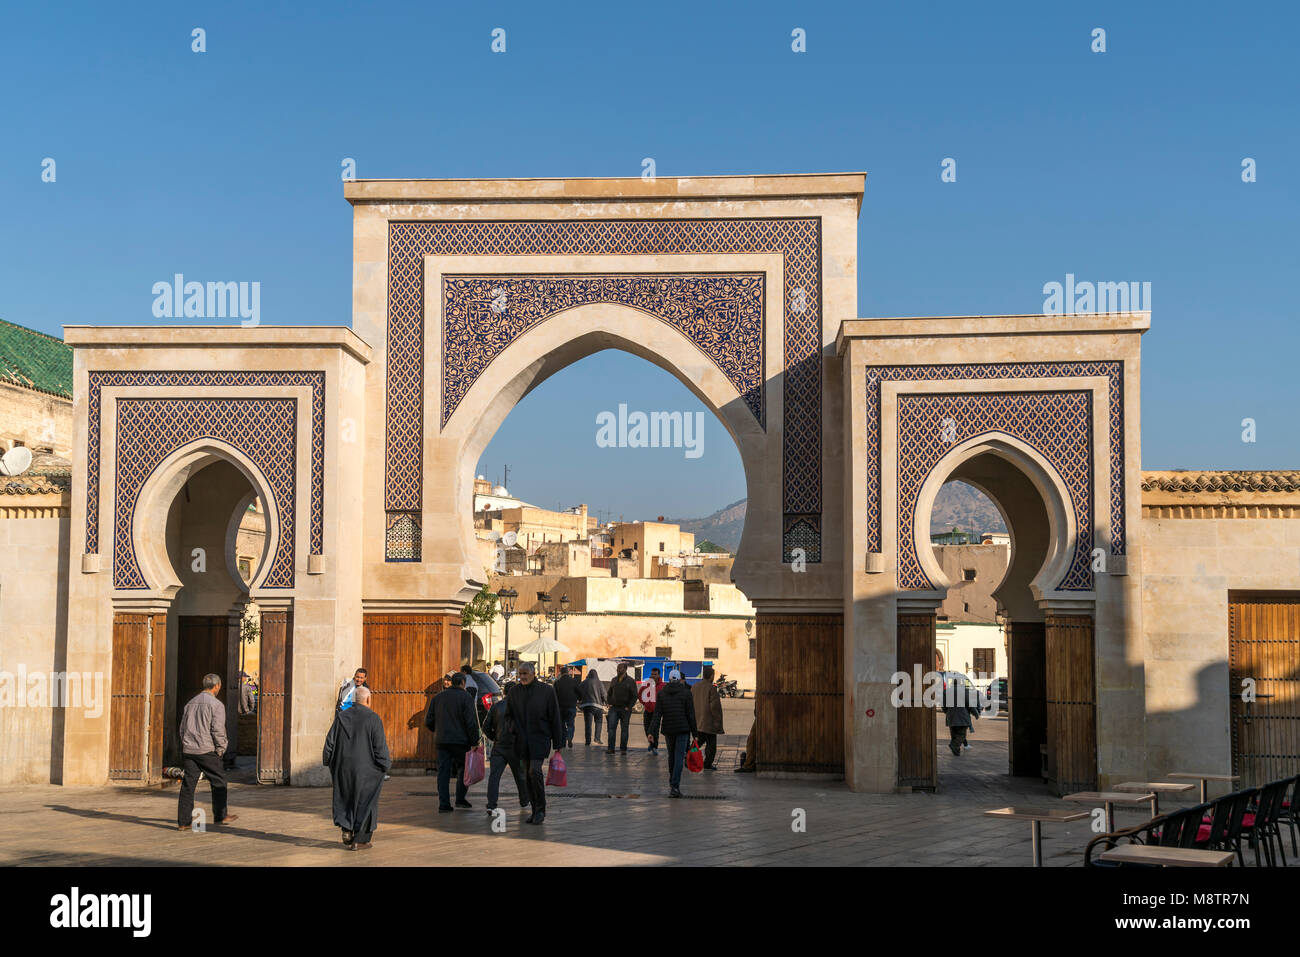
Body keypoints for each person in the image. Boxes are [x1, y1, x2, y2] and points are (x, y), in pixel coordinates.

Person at [322, 685, 391, 849]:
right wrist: (385, 765)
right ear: (368, 699)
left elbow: (329, 742)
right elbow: (379, 747)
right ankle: (360, 840)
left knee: (345, 798)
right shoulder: (373, 718)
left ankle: (347, 829)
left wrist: (328, 761)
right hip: (367, 769)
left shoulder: (341, 717)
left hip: (343, 767)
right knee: (366, 802)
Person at [505, 662, 564, 824]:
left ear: (533, 674)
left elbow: (555, 717)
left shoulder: (546, 691)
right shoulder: (514, 692)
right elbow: (508, 715)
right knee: (527, 776)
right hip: (521, 740)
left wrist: (558, 742)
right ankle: (534, 809)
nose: (522, 677)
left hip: (540, 739)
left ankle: (541, 810)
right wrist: (513, 728)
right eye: (520, 674)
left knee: (534, 771)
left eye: (525, 673)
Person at [177, 673, 236, 830]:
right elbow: (218, 730)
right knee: (219, 781)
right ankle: (220, 815)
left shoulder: (190, 703)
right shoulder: (216, 705)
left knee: (188, 785)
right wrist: (221, 749)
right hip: (206, 750)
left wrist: (186, 744)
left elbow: (182, 729)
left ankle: (184, 822)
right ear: (216, 686)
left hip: (190, 750)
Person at [425, 672, 480, 811]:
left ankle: (444, 804)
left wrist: (438, 731)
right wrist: (474, 741)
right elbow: (471, 722)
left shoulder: (438, 697)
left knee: (443, 772)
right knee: (463, 769)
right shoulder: (466, 697)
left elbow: (428, 721)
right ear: (463, 683)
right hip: (461, 741)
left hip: (442, 740)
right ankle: (460, 799)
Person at [482, 692, 529, 814]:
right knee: (520, 776)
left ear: (504, 693)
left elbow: (485, 726)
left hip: (499, 747)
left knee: (494, 777)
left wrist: (494, 737)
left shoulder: (496, 706)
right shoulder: (522, 707)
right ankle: (524, 800)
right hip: (516, 748)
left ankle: (491, 804)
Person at [655, 670, 697, 797]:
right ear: (679, 680)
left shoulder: (662, 693)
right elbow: (691, 714)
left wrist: (652, 732)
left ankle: (672, 781)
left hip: (668, 729)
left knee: (671, 756)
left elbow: (657, 715)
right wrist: (695, 733)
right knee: (679, 757)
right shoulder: (686, 693)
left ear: (668, 679)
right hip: (683, 729)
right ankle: (675, 786)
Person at [691, 666, 725, 770]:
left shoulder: (695, 686)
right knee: (711, 745)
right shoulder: (712, 688)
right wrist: (718, 722)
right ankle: (707, 763)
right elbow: (715, 707)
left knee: (698, 742)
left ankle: (688, 757)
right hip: (709, 722)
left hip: (697, 721)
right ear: (711, 676)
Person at [606, 662, 638, 753]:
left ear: (625, 669)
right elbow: (609, 693)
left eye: (620, 668)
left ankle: (623, 749)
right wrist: (609, 703)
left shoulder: (631, 681)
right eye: (617, 668)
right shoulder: (614, 680)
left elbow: (635, 696)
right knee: (611, 728)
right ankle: (610, 748)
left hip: (625, 709)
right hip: (614, 708)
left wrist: (629, 706)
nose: (618, 670)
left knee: (624, 729)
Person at [943, 676, 978, 756]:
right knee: (962, 735)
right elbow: (969, 704)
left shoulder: (946, 691)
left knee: (954, 735)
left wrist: (947, 712)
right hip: (962, 717)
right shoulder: (964, 691)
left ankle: (956, 752)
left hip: (950, 717)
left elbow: (943, 705)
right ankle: (954, 746)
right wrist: (975, 713)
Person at [552, 665, 582, 748]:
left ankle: (563, 741)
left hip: (560, 707)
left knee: (561, 725)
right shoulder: (574, 681)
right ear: (568, 672)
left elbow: (554, 695)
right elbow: (580, 692)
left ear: (561, 673)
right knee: (570, 724)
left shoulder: (557, 682)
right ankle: (569, 737)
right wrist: (579, 699)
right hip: (571, 706)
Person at [577, 665, 606, 745]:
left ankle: (588, 741)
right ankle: (597, 739)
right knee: (599, 722)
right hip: (598, 706)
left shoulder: (584, 682)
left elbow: (578, 691)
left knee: (588, 724)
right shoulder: (599, 683)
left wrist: (580, 700)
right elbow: (604, 694)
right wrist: (605, 702)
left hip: (587, 706)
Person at [638, 667, 664, 754]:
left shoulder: (662, 686)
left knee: (655, 730)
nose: (653, 676)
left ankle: (654, 746)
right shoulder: (646, 684)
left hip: (657, 712)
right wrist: (644, 703)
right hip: (647, 710)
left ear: (658, 675)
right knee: (647, 729)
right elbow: (640, 694)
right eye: (652, 674)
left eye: (655, 674)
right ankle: (651, 743)